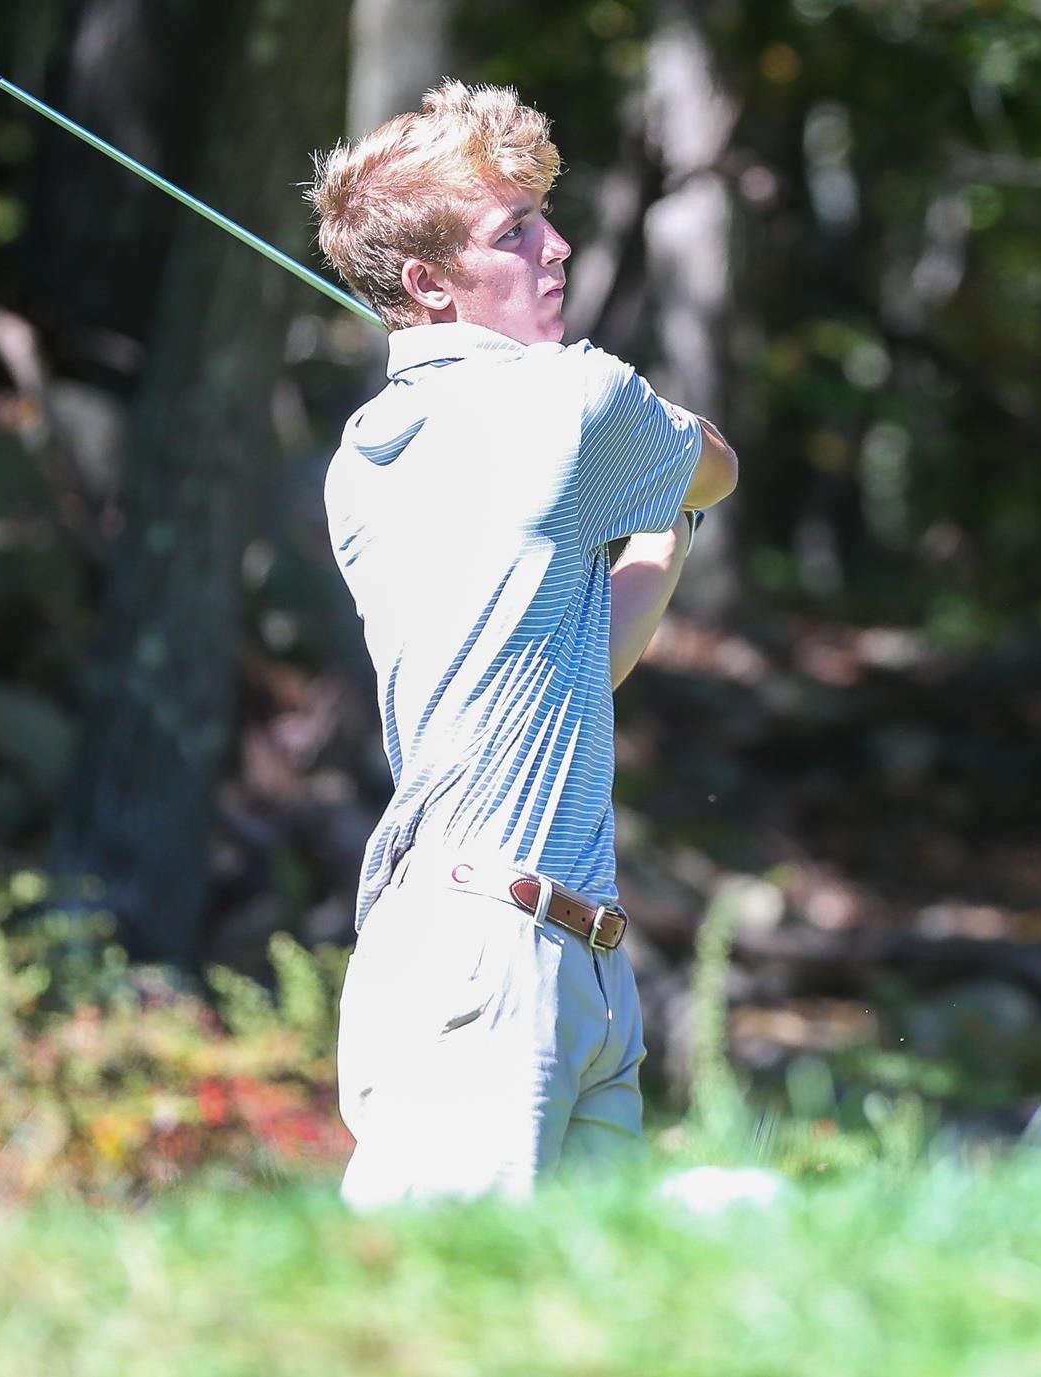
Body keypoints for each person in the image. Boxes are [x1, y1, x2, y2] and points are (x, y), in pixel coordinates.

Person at [305, 81, 738, 1207]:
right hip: (484, 952)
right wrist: (672, 493)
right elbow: (719, 468)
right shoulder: (572, 399)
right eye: (515, 233)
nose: (560, 248)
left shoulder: (365, 455)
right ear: (426, 285)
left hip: (571, 956)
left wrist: (660, 539)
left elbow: (580, 665)